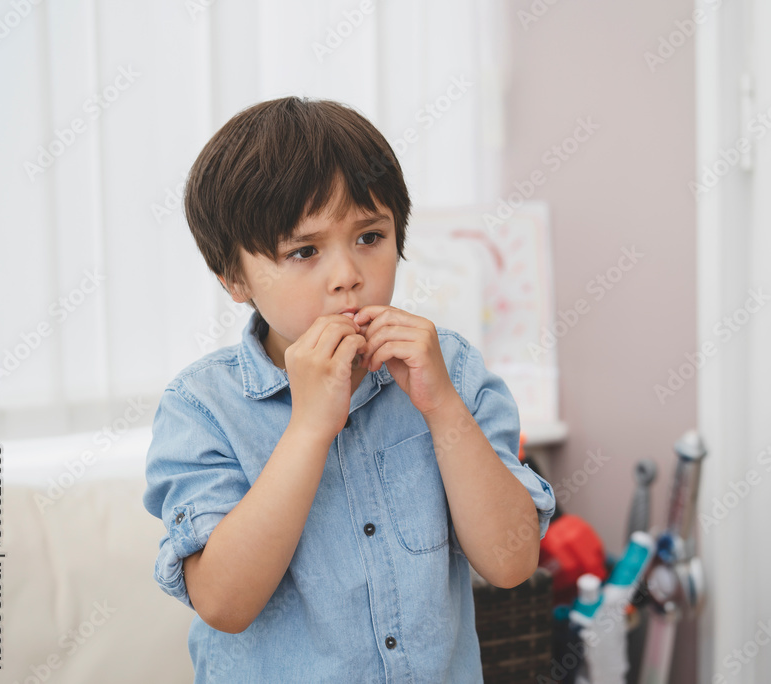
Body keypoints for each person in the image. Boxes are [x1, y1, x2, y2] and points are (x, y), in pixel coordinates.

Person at [142, 96, 557, 683]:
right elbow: (225, 604)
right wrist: (309, 426)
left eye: (370, 236)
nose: (348, 276)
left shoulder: (451, 369)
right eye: (304, 251)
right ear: (233, 279)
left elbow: (512, 563)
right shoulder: (203, 408)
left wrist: (441, 408)